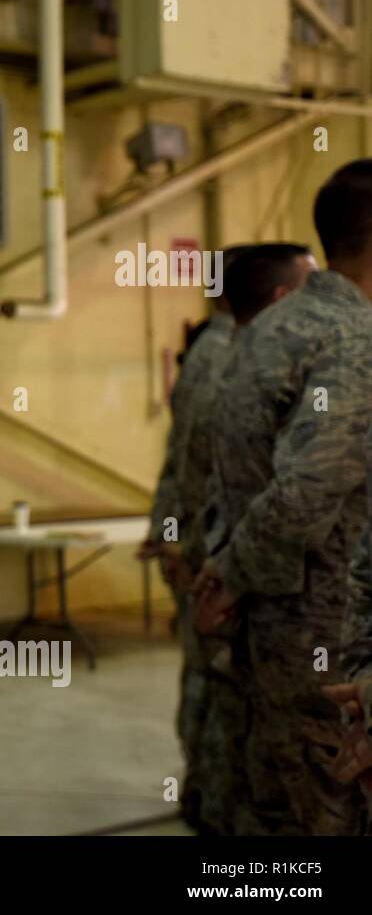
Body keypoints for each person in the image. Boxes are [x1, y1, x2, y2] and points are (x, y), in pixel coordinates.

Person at [194, 162, 372, 835]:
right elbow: (310, 484)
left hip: (270, 623)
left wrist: (228, 570)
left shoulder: (269, 326)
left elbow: (229, 472)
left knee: (270, 800)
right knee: (326, 808)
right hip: (325, 628)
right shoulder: (357, 339)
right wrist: (233, 571)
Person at [141, 243, 311, 834]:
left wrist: (168, 533)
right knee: (224, 703)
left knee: (214, 691)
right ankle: (215, 813)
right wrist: (195, 550)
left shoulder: (212, 352)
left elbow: (178, 458)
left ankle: (208, 805)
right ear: (280, 298)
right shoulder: (235, 363)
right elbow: (211, 471)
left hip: (208, 553)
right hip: (223, 562)